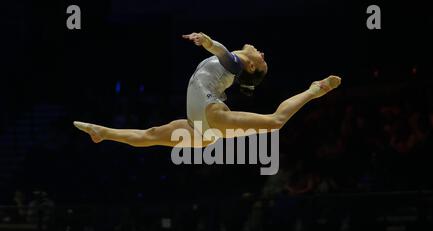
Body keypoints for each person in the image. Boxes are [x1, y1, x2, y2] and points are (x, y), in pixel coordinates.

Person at [74, 32, 341, 147]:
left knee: (276, 121)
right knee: (152, 134)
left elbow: (221, 51)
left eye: (263, 59)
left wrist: (206, 41)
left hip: (211, 115)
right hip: (202, 128)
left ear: (251, 67)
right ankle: (103, 133)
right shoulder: (235, 65)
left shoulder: (236, 64)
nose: (261, 52)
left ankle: (314, 90)